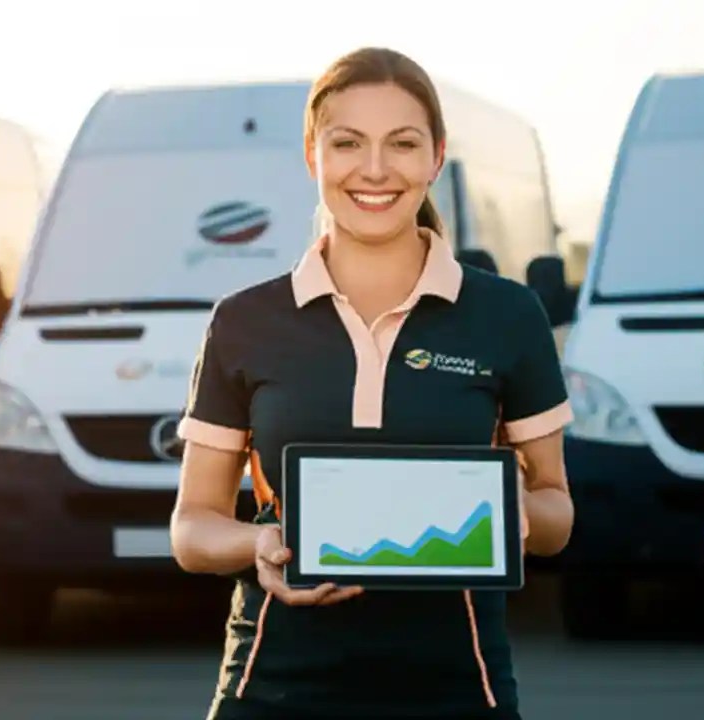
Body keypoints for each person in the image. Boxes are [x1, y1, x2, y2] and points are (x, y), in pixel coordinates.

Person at [169, 47, 575, 720]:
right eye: (348, 142)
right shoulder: (244, 321)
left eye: (403, 143)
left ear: (436, 158)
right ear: (313, 157)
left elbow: (557, 512)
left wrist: (500, 517)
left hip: (458, 692)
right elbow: (192, 528)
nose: (377, 169)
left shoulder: (507, 316)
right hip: (270, 690)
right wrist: (258, 544)